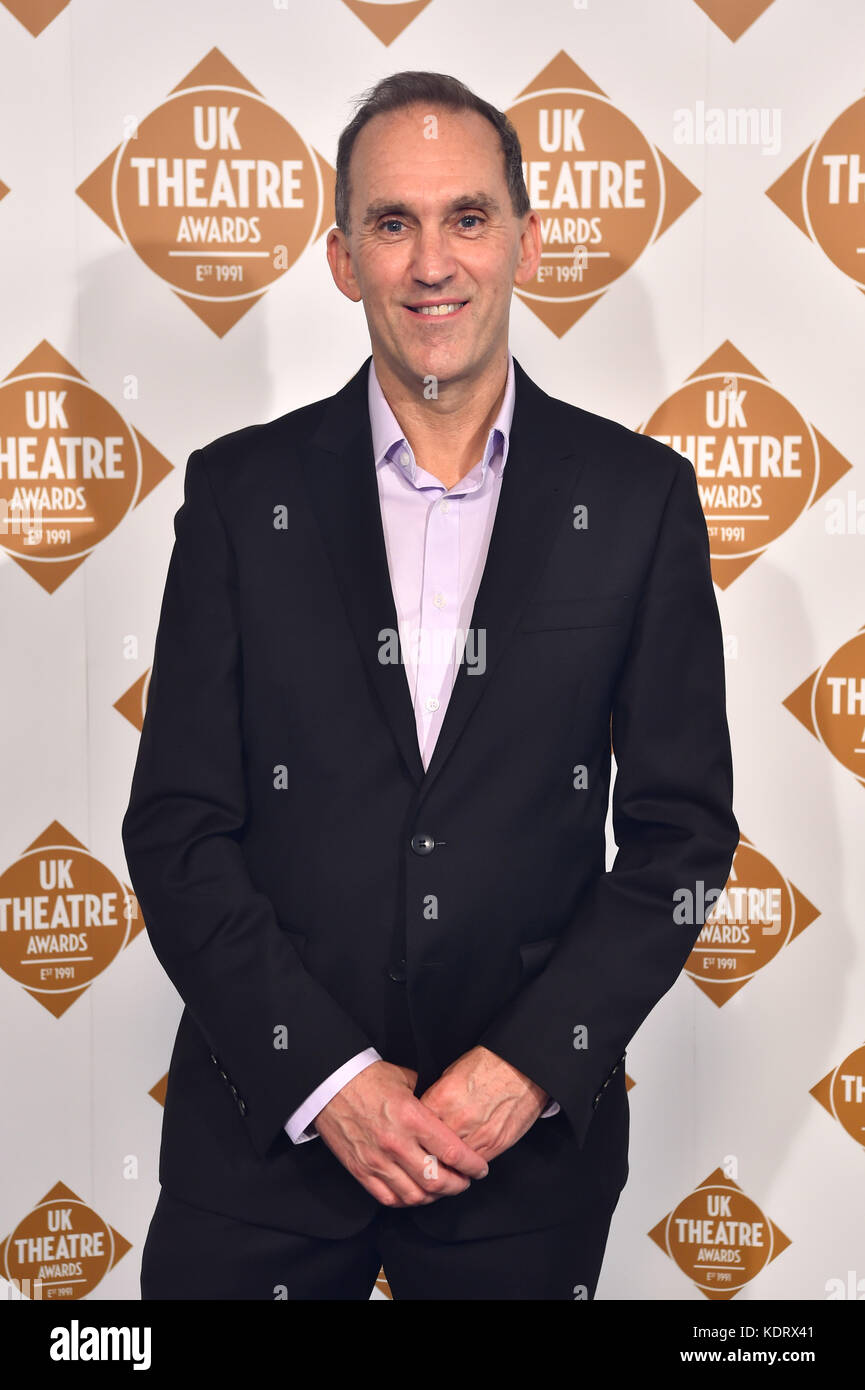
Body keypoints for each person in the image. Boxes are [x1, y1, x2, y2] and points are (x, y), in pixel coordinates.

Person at [122, 70, 739, 1301]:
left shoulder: (635, 503)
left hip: (517, 1171)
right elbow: (178, 829)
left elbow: (680, 839)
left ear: (526, 239)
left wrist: (523, 1068)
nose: (431, 263)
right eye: (391, 223)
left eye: (465, 217)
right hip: (265, 1151)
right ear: (342, 256)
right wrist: (327, 1079)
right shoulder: (241, 498)